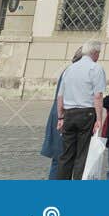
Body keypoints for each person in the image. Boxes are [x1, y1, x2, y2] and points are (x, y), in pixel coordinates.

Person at [55, 41, 108, 178]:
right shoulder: (96, 69)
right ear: (95, 53)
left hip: (69, 114)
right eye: (99, 53)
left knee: (66, 155)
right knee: (82, 154)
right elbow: (98, 96)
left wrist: (60, 117)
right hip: (87, 114)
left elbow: (60, 96)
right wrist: (99, 119)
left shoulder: (69, 69)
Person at [41, 50, 81, 178]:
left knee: (61, 158)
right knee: (60, 159)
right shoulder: (73, 72)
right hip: (63, 117)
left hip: (62, 116)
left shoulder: (70, 71)